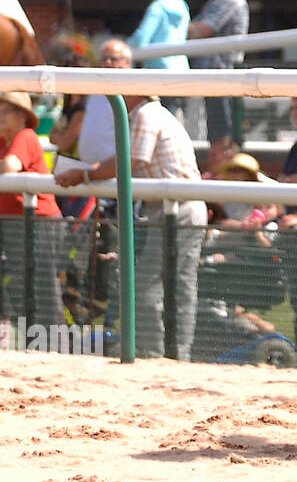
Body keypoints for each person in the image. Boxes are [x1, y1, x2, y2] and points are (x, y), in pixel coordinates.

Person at [57, 93, 206, 360]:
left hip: (177, 209)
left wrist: (85, 173)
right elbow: (129, 161)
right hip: (171, 208)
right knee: (175, 286)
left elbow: (132, 160)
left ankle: (158, 353)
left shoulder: (146, 114)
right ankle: (171, 353)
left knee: (152, 287)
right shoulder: (149, 114)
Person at [0, 92, 63, 332]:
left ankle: (54, 344)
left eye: (6, 111)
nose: (0, 116)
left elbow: (10, 166)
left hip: (39, 222)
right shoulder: (4, 140)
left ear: (21, 116)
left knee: (43, 286)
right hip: (18, 224)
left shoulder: (25, 136)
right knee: (26, 284)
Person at [188, 0, 250, 152]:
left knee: (223, 133)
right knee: (216, 131)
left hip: (223, 73)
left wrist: (182, 29)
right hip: (215, 73)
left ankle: (226, 172)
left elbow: (203, 29)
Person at [127, 0, 191, 72]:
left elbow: (142, 39)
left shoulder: (157, 7)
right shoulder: (183, 5)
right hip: (181, 66)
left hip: (158, 69)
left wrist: (123, 46)